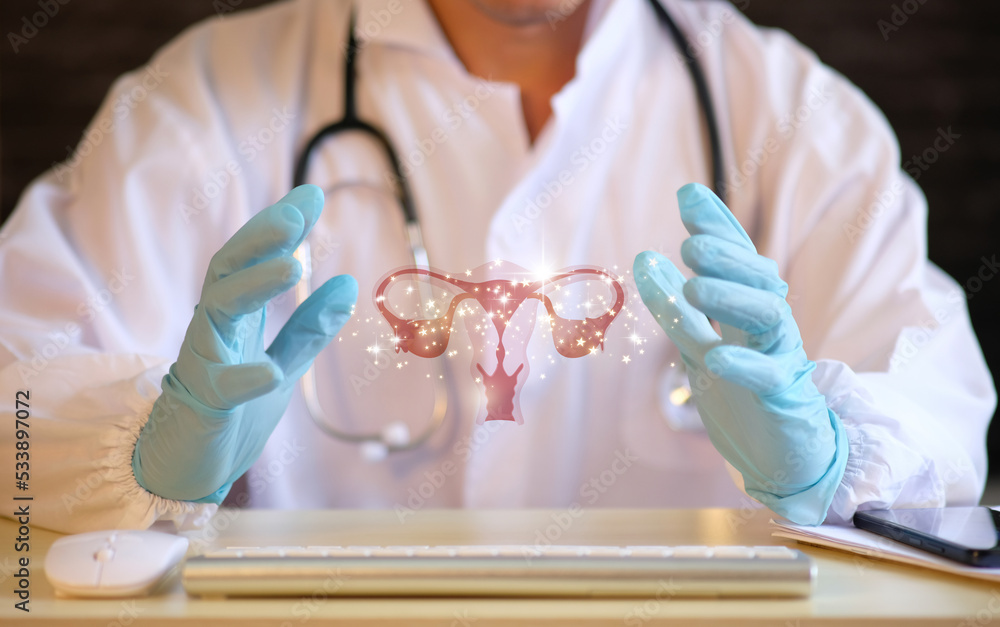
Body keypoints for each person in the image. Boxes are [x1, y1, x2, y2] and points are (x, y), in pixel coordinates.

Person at [0, 0, 994, 534]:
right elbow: (14, 407)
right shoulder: (206, 100)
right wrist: (144, 444)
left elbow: (939, 420)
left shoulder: (786, 114)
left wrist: (825, 457)